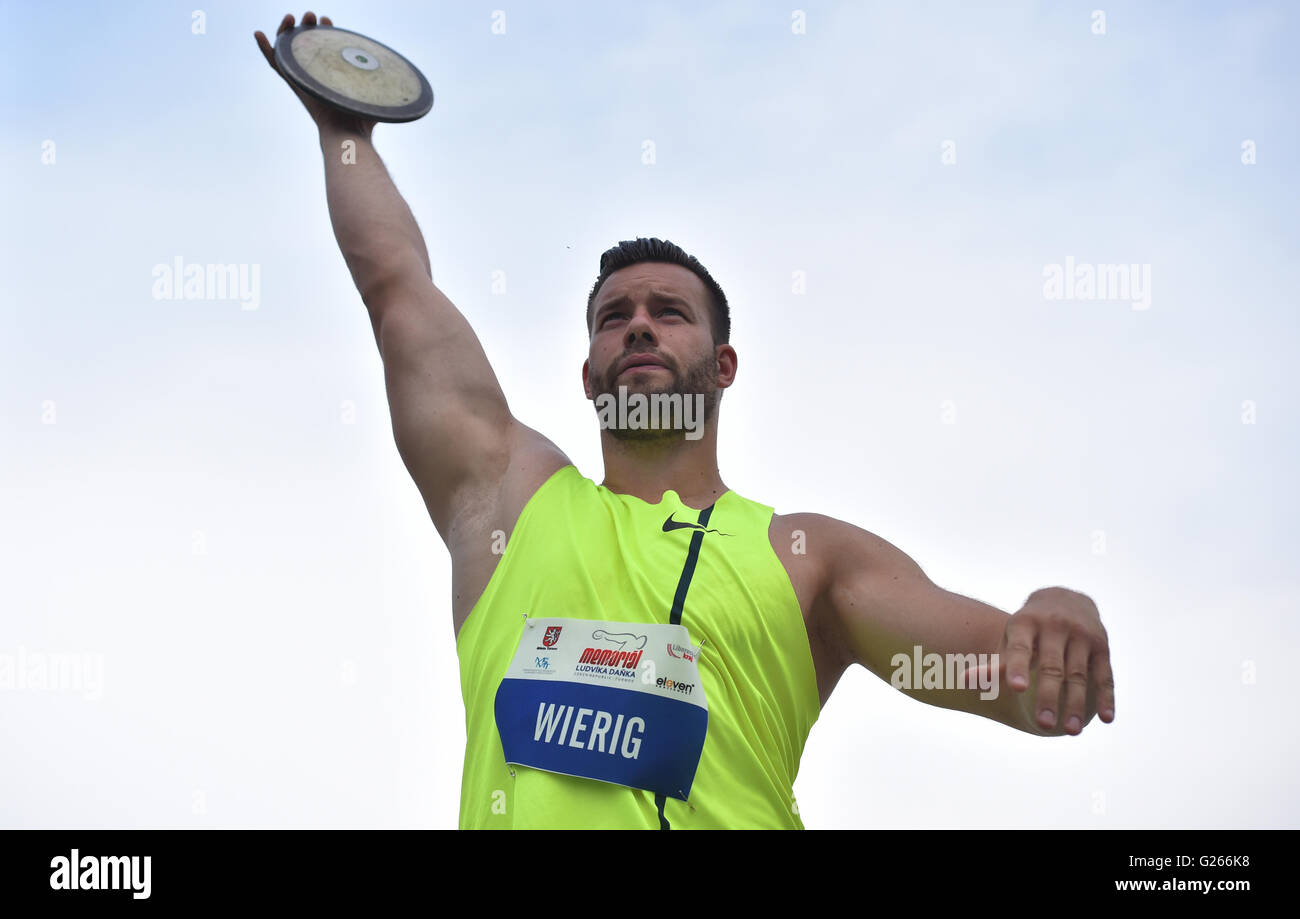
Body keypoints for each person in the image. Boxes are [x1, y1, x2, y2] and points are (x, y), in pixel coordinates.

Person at [255, 12, 1117, 830]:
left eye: (669, 311)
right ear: (588, 372)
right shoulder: (506, 499)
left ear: (725, 363)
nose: (636, 323)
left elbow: (1009, 675)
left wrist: (1056, 617)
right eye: (612, 315)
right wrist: (347, 136)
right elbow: (399, 290)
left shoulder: (805, 556)